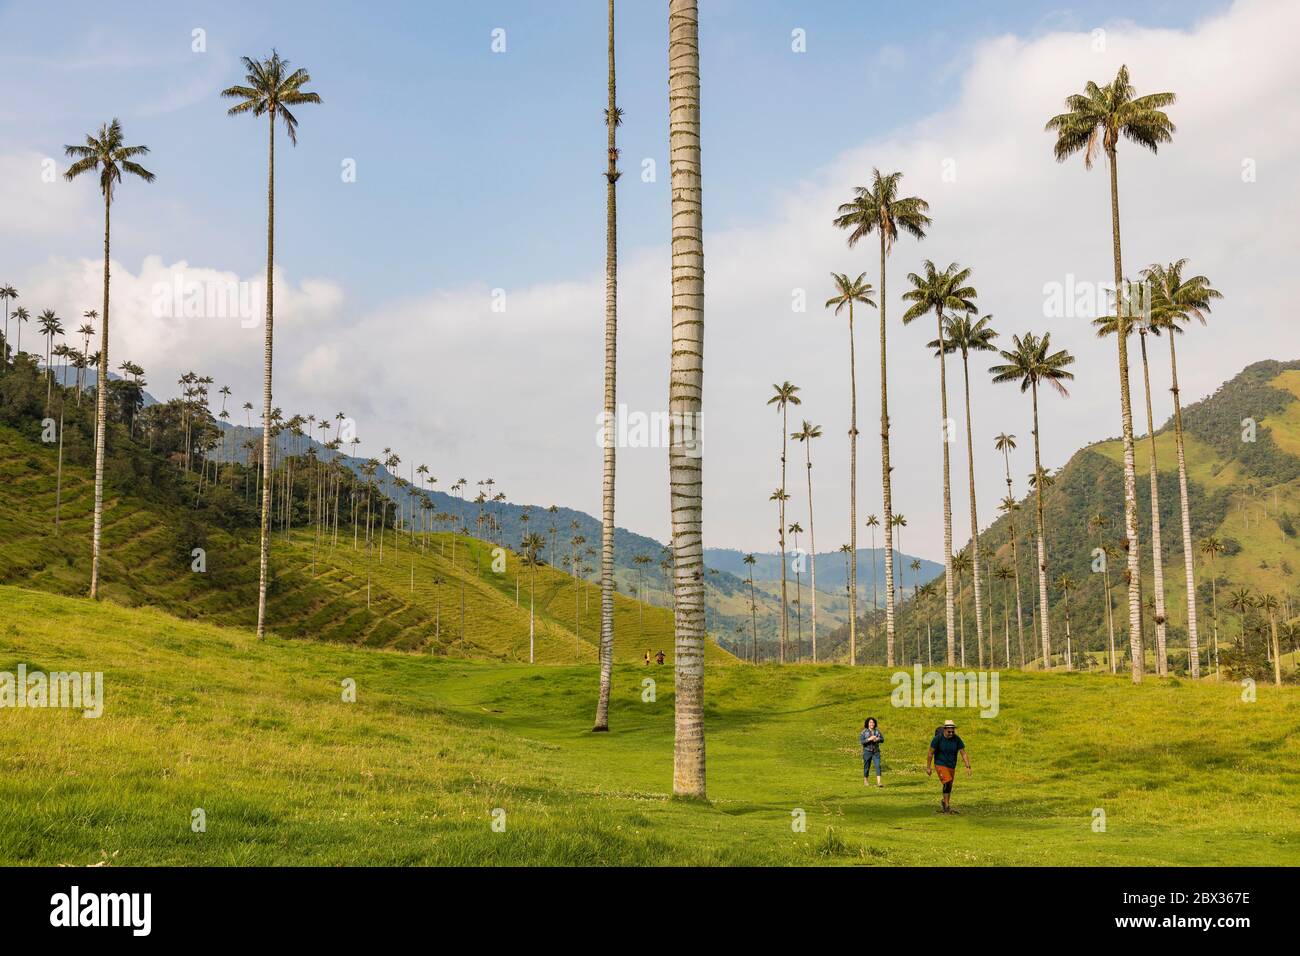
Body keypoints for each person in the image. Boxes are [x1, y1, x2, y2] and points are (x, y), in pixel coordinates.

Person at [926, 719, 971, 813]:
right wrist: (928, 767)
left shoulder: (957, 739)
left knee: (949, 785)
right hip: (940, 764)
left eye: (953, 731)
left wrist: (967, 766)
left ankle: (945, 802)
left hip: (951, 765)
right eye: (949, 731)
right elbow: (930, 753)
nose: (951, 733)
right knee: (947, 781)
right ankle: (946, 807)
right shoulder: (937, 739)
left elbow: (963, 753)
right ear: (945, 729)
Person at [859, 717, 884, 787]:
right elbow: (862, 742)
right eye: (870, 722)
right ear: (867, 723)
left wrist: (878, 739)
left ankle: (879, 783)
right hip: (867, 751)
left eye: (873, 722)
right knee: (867, 767)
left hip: (876, 752)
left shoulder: (877, 731)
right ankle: (865, 780)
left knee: (878, 766)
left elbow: (882, 739)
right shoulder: (863, 732)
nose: (872, 724)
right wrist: (869, 739)